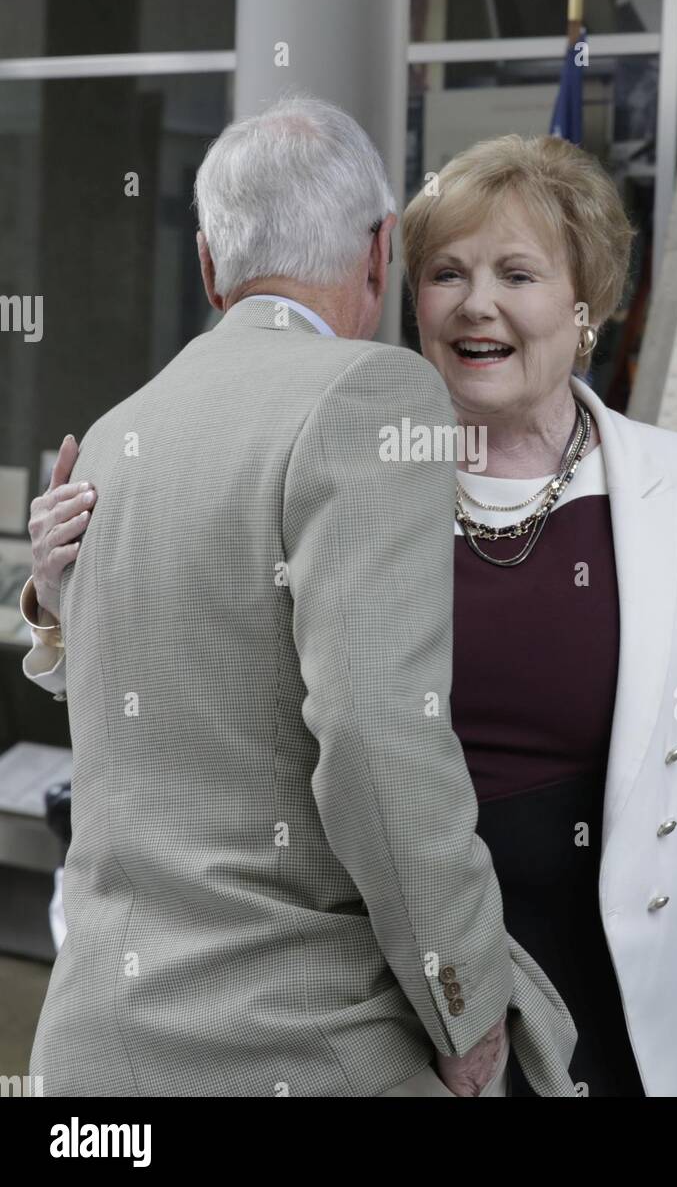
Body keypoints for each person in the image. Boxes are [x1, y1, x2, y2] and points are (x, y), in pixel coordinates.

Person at [24, 123, 677, 1098]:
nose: (475, 303)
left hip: (613, 977)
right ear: (397, 283)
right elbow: (215, 667)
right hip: (401, 974)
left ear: (585, 304)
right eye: (446, 272)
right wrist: (54, 592)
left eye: (516, 273)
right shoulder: (347, 444)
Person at [20, 94, 579, 1099]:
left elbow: (157, 716)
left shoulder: (111, 433)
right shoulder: (368, 394)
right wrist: (463, 1003)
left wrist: (51, 612)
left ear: (204, 265)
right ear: (379, 255)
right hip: (293, 1046)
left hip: (96, 1050)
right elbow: (374, 734)